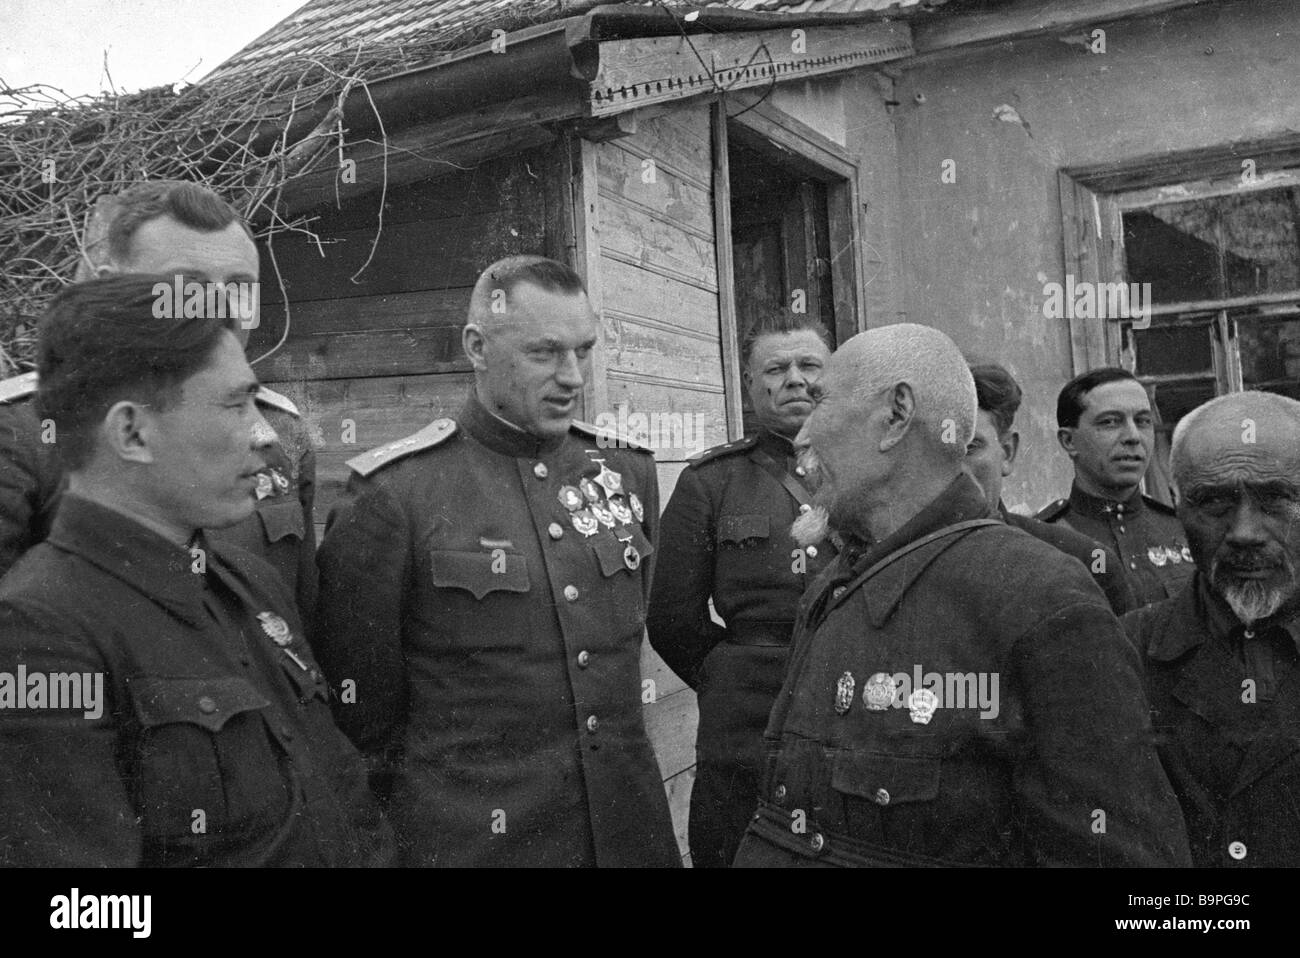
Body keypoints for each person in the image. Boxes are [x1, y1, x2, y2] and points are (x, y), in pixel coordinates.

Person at [732, 324, 1190, 867]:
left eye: (822, 403)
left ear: (897, 415)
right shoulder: (838, 579)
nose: (802, 437)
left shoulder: (1040, 597)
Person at [0, 275, 393, 866]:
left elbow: (343, 803)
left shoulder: (247, 583)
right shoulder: (40, 632)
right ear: (131, 432)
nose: (264, 434)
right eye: (235, 405)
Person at [313, 255, 679, 867]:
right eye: (544, 353)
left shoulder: (626, 472)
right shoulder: (396, 495)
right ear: (477, 347)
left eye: (583, 351)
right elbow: (361, 718)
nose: (573, 377)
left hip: (627, 836)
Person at [0, 181, 317, 627]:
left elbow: (301, 619)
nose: (218, 308)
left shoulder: (280, 428)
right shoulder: (21, 430)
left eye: (240, 288)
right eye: (185, 288)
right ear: (112, 288)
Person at [647, 312, 836, 868]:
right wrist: (731, 676)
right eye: (775, 369)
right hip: (747, 723)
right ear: (750, 387)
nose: (795, 380)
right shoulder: (712, 482)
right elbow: (672, 619)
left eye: (810, 366)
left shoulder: (872, 470)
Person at [1125, 390, 1300, 867]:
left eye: (1275, 499)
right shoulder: (1123, 652)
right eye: (1214, 503)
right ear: (1176, 506)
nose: (1244, 531)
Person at [966, 363, 1134, 615]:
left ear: (1007, 453)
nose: (953, 466)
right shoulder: (897, 562)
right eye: (934, 450)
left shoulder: (1082, 560)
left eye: (970, 447)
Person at [1037, 367, 1193, 607]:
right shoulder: (1041, 541)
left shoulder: (1183, 529)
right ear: (1069, 441)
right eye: (1110, 422)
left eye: (1143, 421)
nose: (1133, 436)